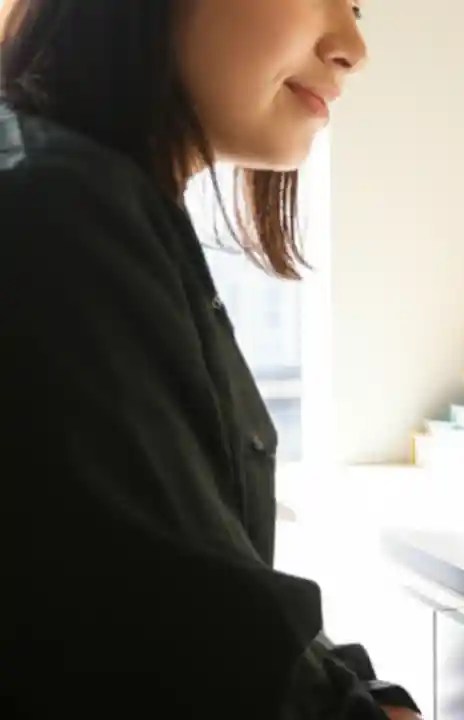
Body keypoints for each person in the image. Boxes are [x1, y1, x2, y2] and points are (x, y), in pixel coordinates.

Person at [0, 1, 420, 718]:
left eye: (357, 7)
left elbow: (206, 592)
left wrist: (366, 694)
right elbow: (195, 651)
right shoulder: (54, 208)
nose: (354, 46)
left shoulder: (87, 195)